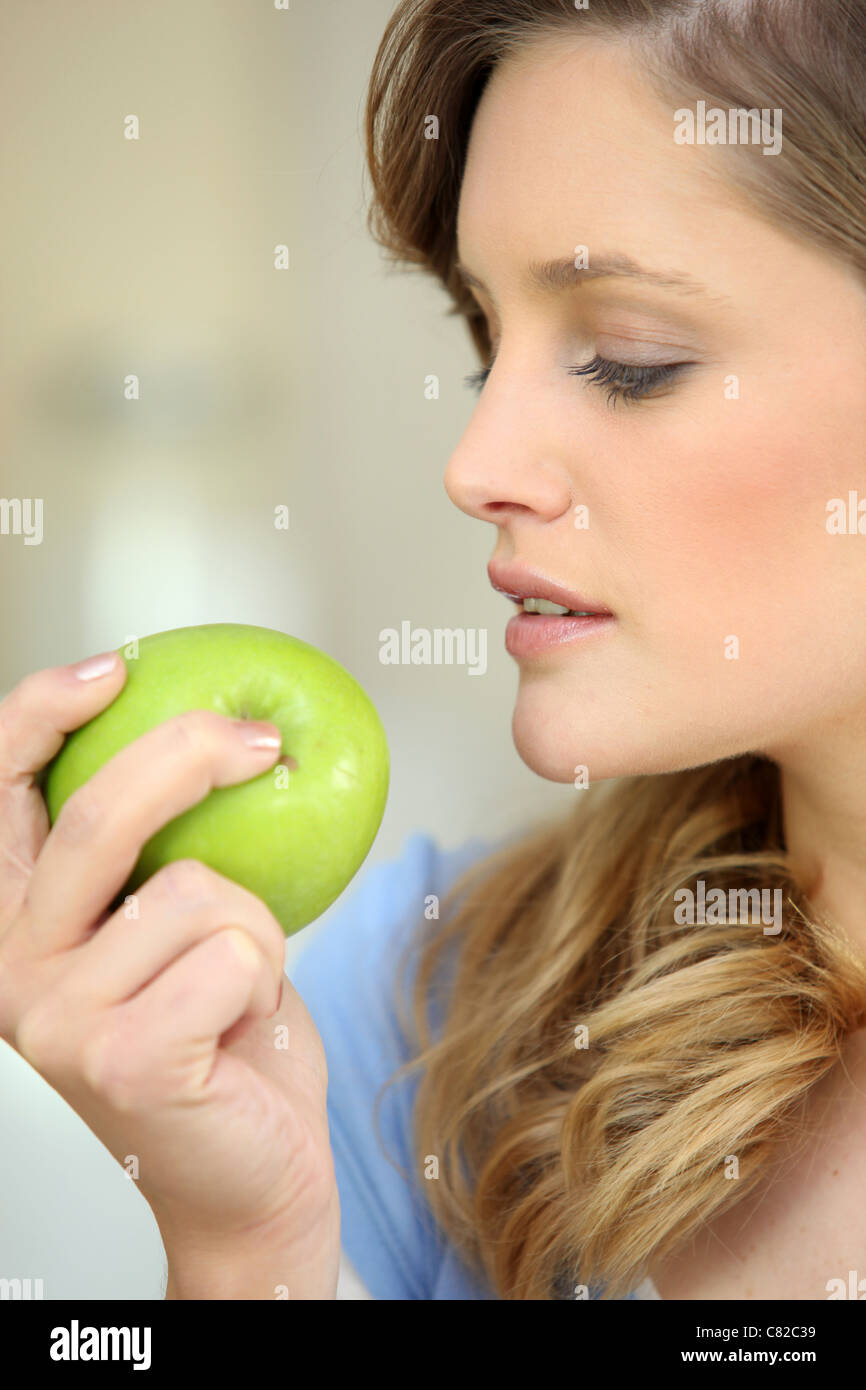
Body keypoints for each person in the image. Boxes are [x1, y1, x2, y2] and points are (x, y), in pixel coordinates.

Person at [2, 0, 865, 1300]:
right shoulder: (411, 1025)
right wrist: (248, 1252)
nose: (473, 468)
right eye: (481, 346)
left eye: (628, 358)